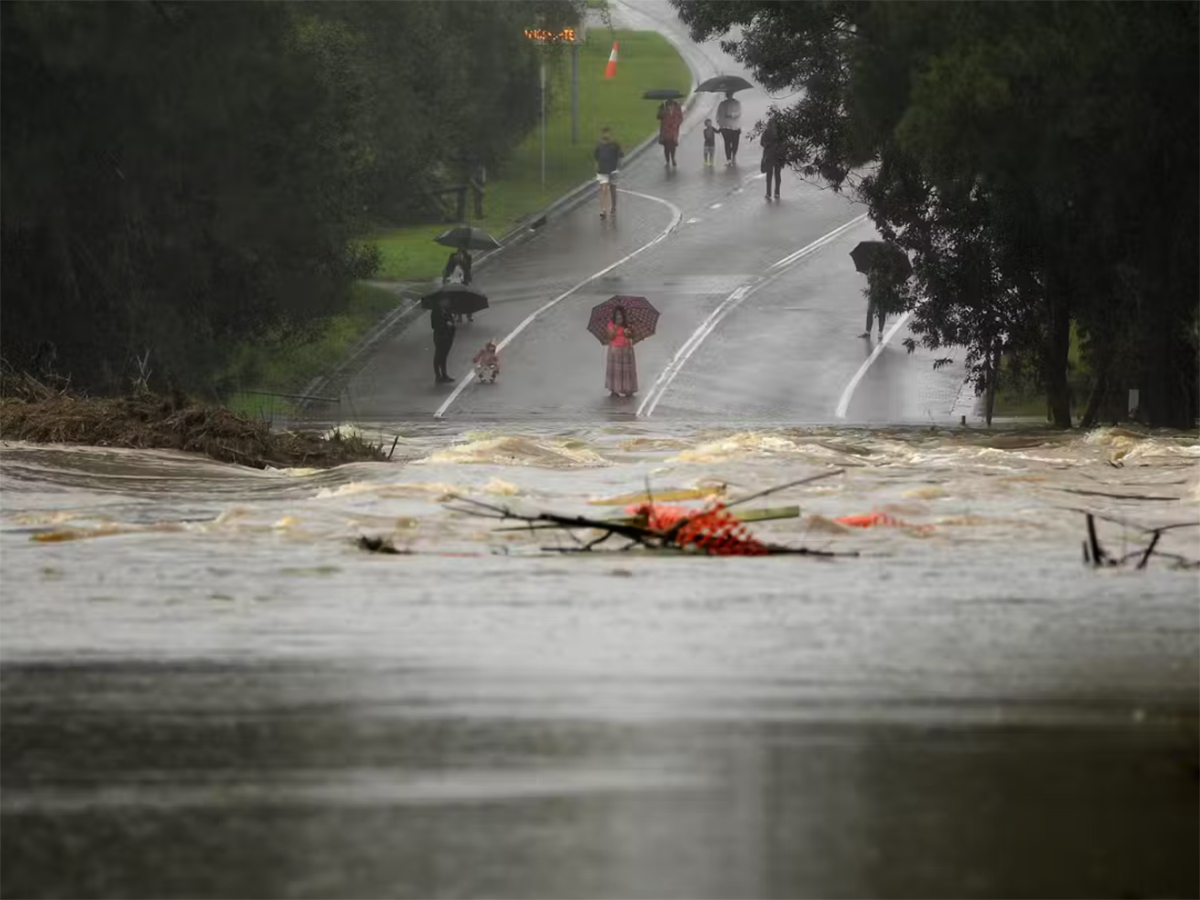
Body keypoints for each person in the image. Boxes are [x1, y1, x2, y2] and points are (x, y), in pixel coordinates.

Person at [605, 306, 638, 398]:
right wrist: (615, 327)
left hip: (626, 349)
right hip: (615, 350)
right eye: (617, 315)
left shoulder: (627, 324)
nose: (619, 317)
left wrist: (630, 331)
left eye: (620, 315)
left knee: (627, 371)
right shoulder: (611, 324)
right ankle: (614, 390)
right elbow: (610, 337)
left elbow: (633, 335)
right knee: (616, 371)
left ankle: (628, 389)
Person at [594, 126, 623, 219]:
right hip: (602, 170)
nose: (606, 135)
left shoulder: (615, 145)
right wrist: (597, 165)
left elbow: (620, 155)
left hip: (613, 170)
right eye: (604, 133)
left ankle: (613, 206)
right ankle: (603, 210)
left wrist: (618, 166)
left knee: (613, 189)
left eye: (608, 133)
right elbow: (596, 156)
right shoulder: (599, 145)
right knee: (603, 189)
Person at [442, 247, 474, 323]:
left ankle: (469, 314)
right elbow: (449, 267)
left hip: (464, 280)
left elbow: (468, 268)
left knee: (467, 297)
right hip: (455, 279)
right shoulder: (453, 256)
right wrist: (446, 277)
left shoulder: (467, 256)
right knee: (456, 297)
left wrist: (462, 261)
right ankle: (458, 315)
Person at [431, 296, 456, 383]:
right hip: (440, 336)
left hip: (448, 336)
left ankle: (444, 375)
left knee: (444, 356)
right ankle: (438, 375)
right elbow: (434, 325)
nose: (447, 302)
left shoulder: (447, 311)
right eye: (445, 300)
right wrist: (446, 324)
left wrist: (452, 324)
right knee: (438, 355)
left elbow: (451, 322)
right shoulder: (436, 312)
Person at [716, 91, 742, 165]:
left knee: (735, 143)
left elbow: (739, 113)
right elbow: (718, 114)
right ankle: (729, 158)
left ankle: (733, 156)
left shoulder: (737, 103)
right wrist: (720, 124)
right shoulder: (722, 104)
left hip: (735, 126)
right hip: (725, 127)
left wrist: (731, 115)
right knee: (727, 143)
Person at [760, 119, 783, 200]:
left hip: (769, 156)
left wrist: (767, 145)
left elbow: (762, 142)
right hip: (778, 156)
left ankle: (768, 193)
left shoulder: (766, 132)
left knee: (769, 176)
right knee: (777, 175)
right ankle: (777, 193)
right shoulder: (780, 132)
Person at [657, 98, 683, 167]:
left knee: (673, 146)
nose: (670, 108)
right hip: (665, 131)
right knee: (666, 147)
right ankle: (667, 160)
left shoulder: (677, 110)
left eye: (671, 106)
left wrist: (676, 124)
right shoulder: (664, 110)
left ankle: (673, 158)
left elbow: (680, 118)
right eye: (668, 106)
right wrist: (660, 108)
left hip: (673, 131)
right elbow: (658, 117)